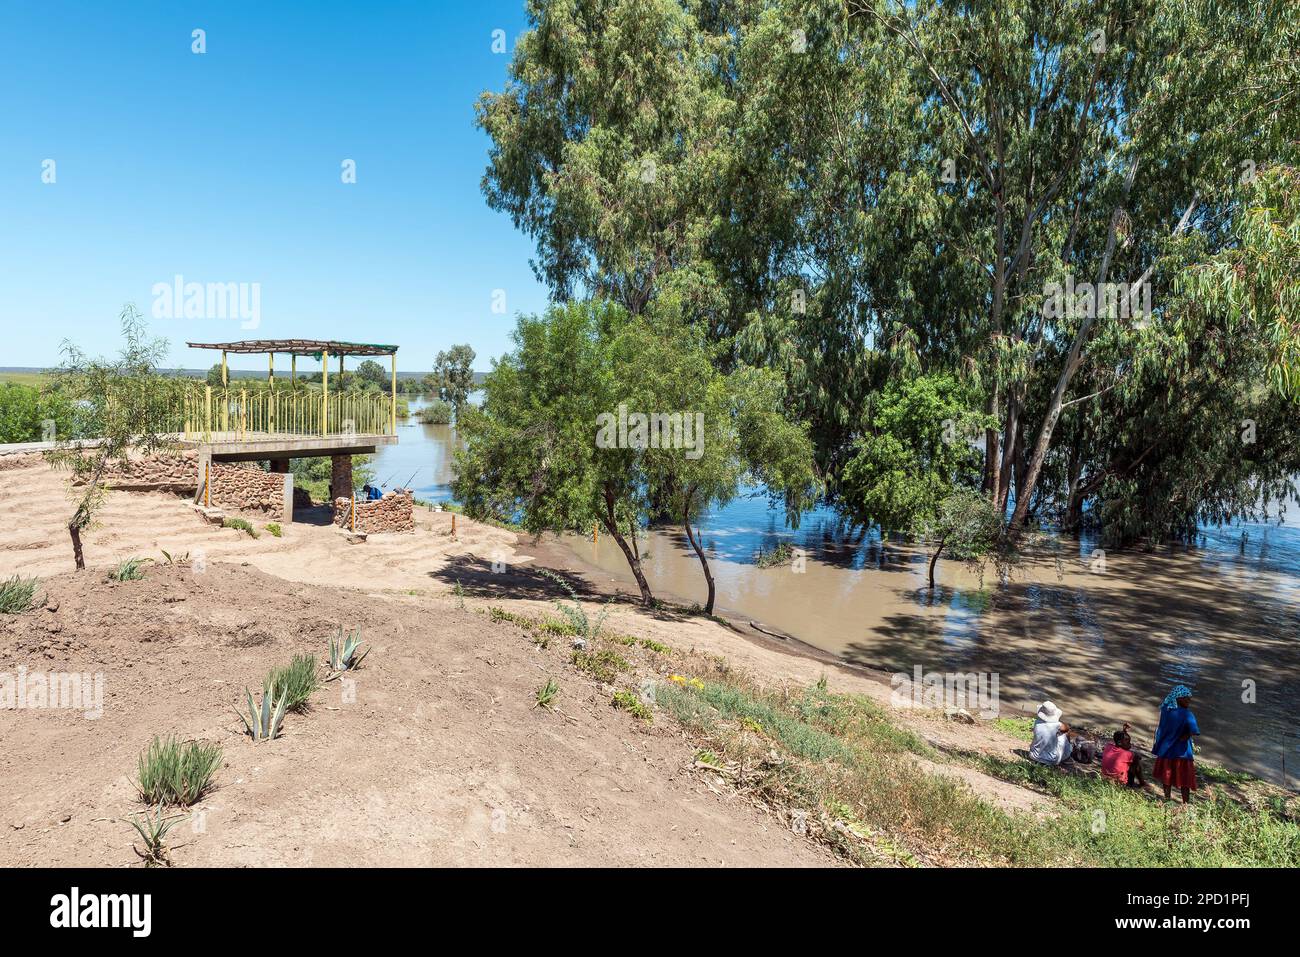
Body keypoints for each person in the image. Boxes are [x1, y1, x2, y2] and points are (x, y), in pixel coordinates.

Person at [1152, 685, 1199, 804]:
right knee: (1185, 780)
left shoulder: (1165, 710)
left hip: (1166, 751)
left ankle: (1167, 799)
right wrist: (1186, 735)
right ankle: (1185, 804)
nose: (1189, 701)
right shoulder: (1187, 714)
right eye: (1187, 698)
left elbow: (1162, 728)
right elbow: (1194, 731)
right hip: (1182, 752)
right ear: (1178, 698)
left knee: (1166, 777)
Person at [1029, 701, 1075, 766]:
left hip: (1033, 756)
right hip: (1051, 760)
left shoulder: (1037, 722)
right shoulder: (1057, 725)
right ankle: (1067, 757)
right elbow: (1066, 728)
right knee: (1066, 733)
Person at [1101, 723, 1146, 787]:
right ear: (1119, 742)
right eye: (1128, 742)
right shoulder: (1127, 754)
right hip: (1119, 783)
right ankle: (1141, 783)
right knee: (1136, 763)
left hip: (1104, 779)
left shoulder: (1108, 746)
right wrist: (1136, 757)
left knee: (1130, 761)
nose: (1130, 745)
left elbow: (1117, 739)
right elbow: (1138, 757)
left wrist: (1124, 731)